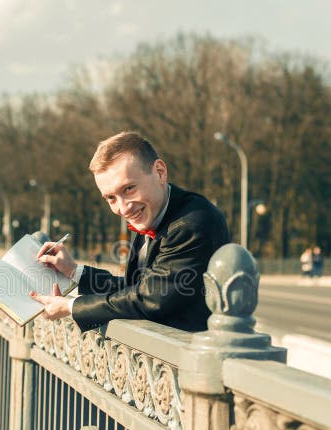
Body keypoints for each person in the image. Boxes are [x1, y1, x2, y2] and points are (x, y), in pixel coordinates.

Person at [29, 131, 230, 332]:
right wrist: (74, 271)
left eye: (129, 189)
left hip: (189, 359)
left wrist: (69, 306)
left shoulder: (193, 223)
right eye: (111, 198)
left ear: (160, 172)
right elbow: (132, 289)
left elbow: (149, 299)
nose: (123, 208)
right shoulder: (153, 211)